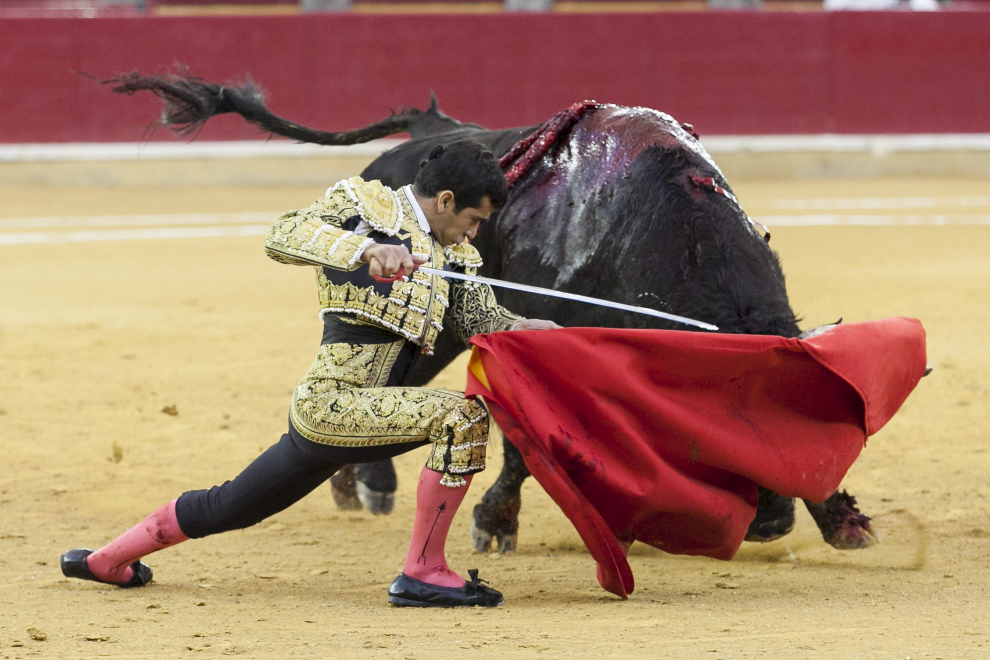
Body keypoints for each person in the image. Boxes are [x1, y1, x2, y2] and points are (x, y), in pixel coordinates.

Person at [59, 139, 560, 607]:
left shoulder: (457, 255)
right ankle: (423, 572)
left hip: (373, 414)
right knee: (461, 418)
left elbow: (478, 319)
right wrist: (364, 250)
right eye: (473, 219)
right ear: (446, 200)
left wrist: (524, 326)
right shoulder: (368, 209)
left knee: (234, 505)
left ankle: (108, 561)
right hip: (333, 405)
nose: (474, 233)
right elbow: (283, 234)